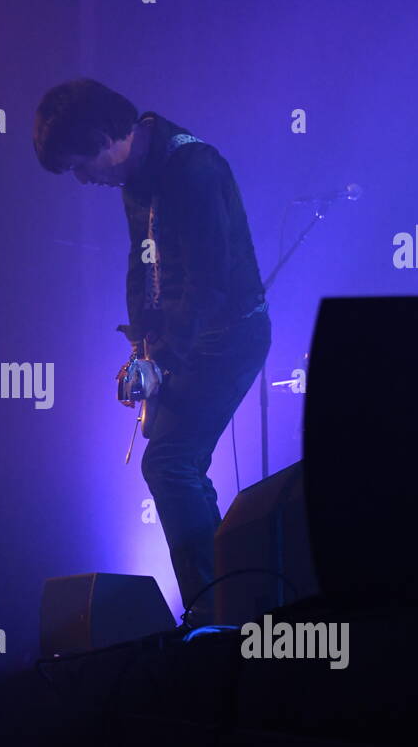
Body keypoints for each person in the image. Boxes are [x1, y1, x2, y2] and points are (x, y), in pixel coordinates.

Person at [34, 79, 271, 621]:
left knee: (169, 461)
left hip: (231, 335)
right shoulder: (136, 179)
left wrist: (162, 363)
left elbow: (209, 286)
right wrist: (143, 351)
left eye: (79, 163)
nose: (82, 178)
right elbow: (142, 269)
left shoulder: (193, 169)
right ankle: (224, 600)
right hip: (186, 340)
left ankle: (217, 607)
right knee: (173, 464)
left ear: (103, 137)